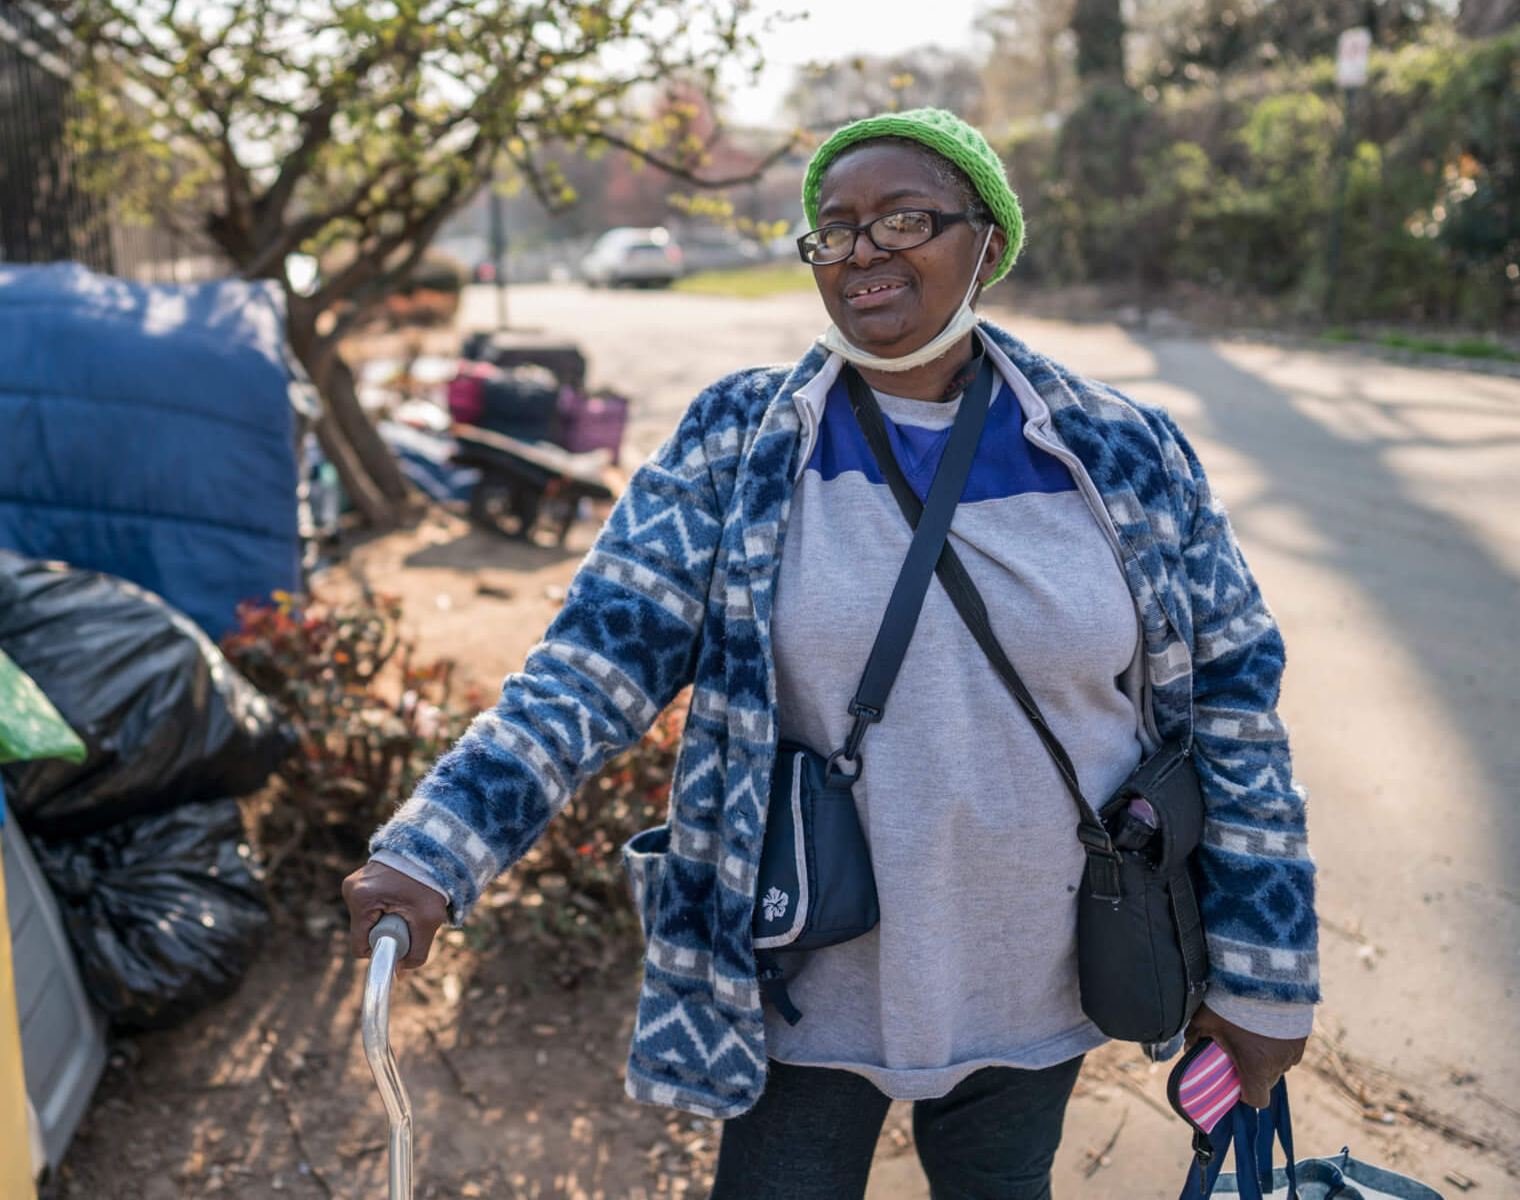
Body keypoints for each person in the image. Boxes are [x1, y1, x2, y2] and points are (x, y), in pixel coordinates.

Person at [342, 108, 1318, 1199]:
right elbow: (591, 663)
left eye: (904, 218)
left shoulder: (1119, 453)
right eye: (833, 228)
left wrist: (1265, 974)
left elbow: (1233, 712)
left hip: (1045, 974)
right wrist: (436, 846)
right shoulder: (739, 444)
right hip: (802, 977)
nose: (863, 251)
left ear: (985, 243)